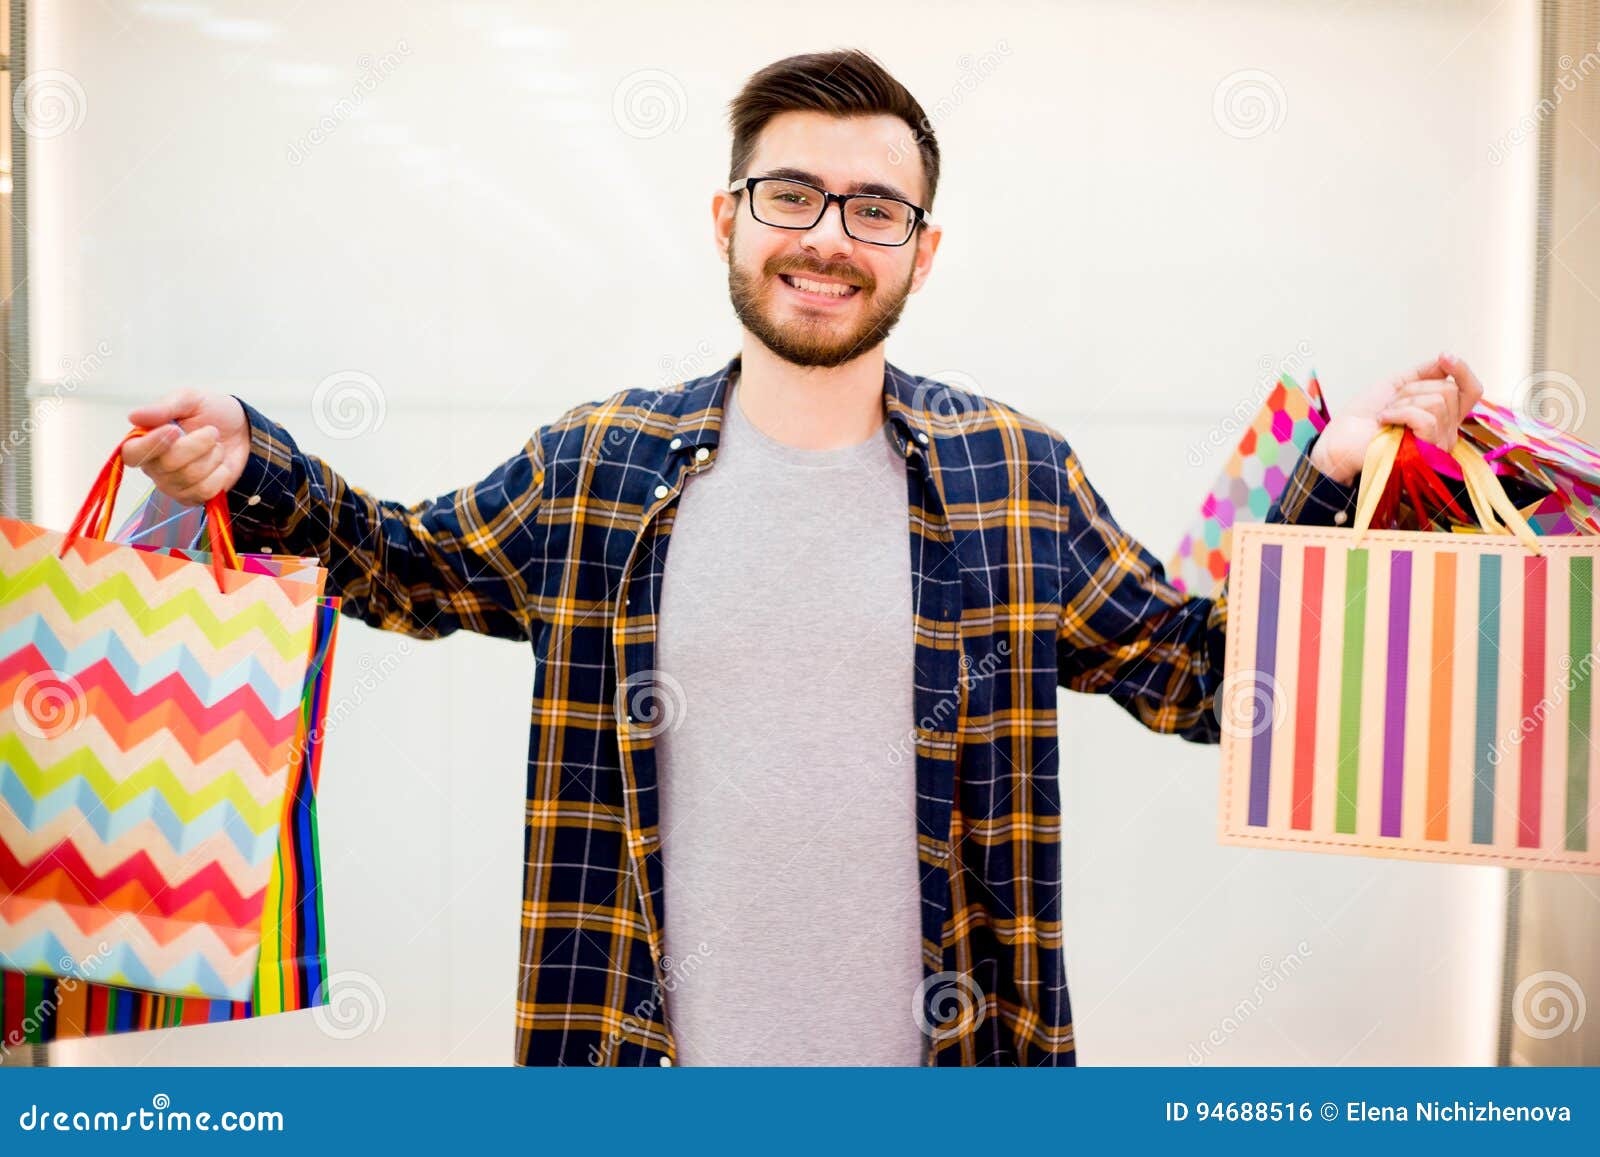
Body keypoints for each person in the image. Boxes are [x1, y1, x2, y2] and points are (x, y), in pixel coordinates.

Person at [121, 49, 1484, 1067]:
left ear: (921, 251)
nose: (829, 235)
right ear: (728, 219)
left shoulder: (1012, 475)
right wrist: (259, 460)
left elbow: (1202, 674)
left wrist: (1345, 477)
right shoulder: (596, 466)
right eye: (792, 194)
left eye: (874, 208)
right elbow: (398, 563)